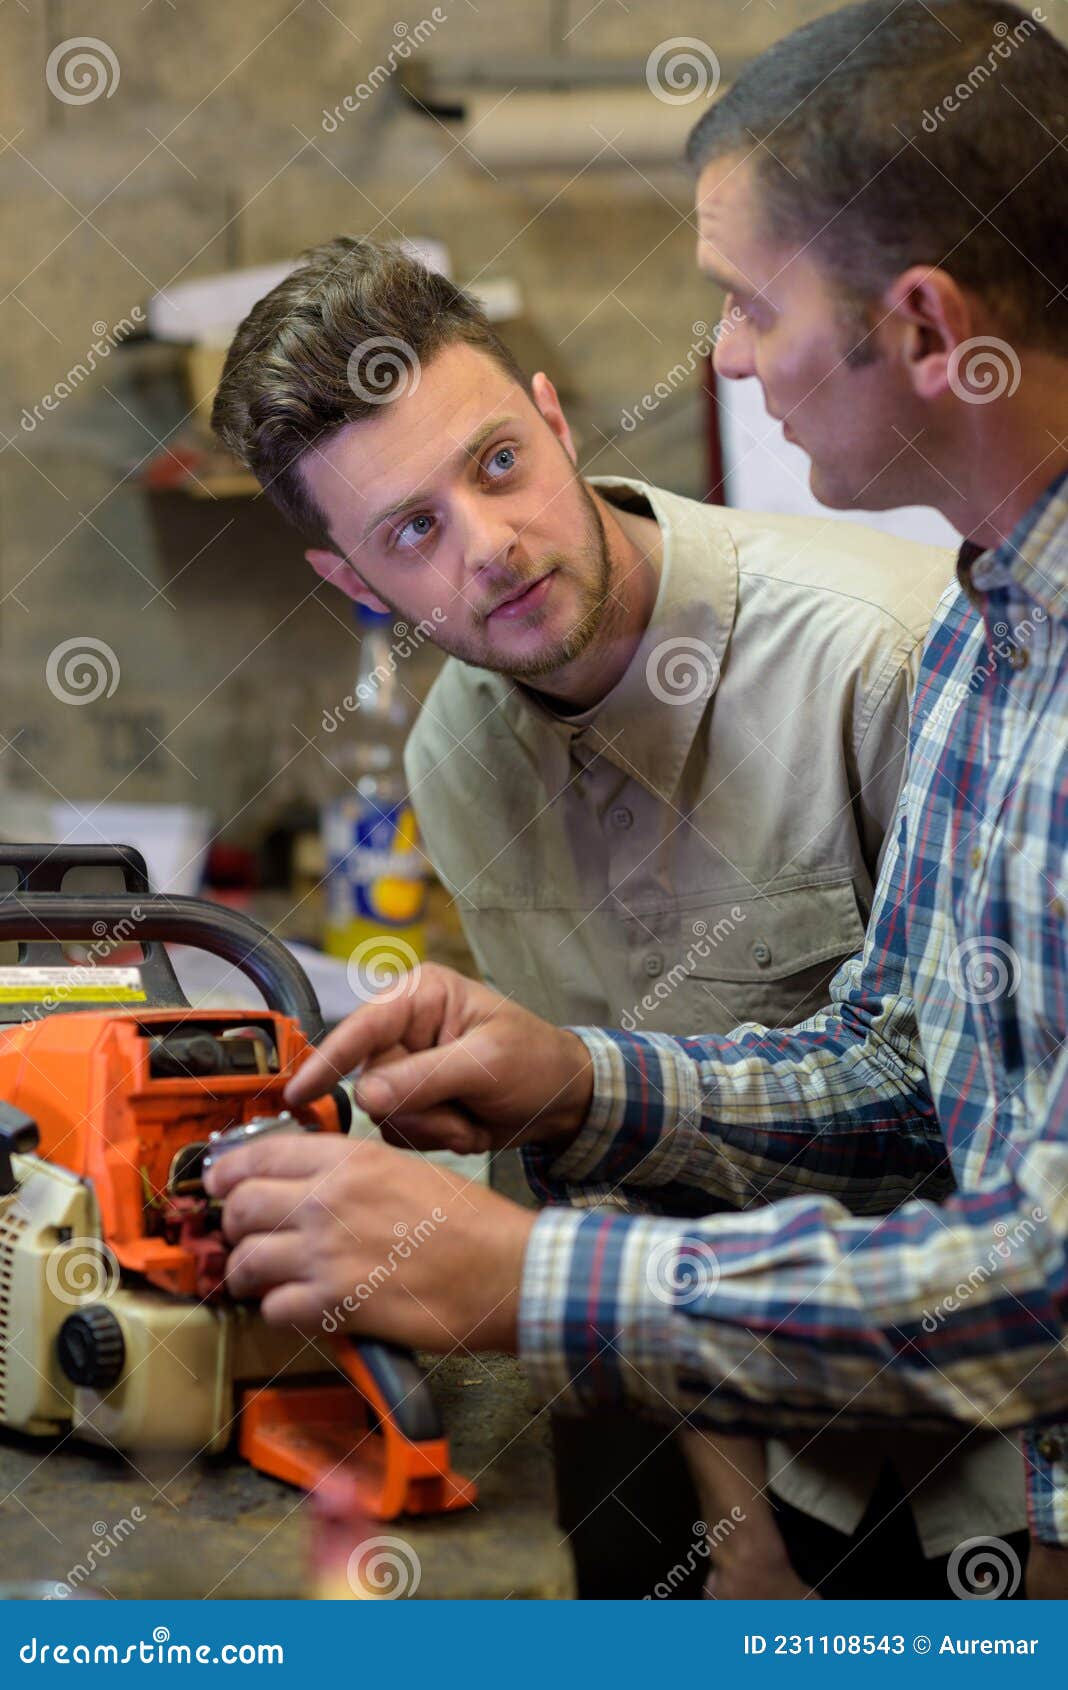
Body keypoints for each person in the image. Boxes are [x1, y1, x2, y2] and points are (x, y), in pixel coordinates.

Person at [207, 0, 1068, 1600]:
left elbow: (1043, 1273)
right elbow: (903, 1071)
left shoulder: (905, 647)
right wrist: (576, 1081)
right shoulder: (997, 636)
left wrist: (538, 1273)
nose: (724, 357)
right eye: (406, 531)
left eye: (748, 302)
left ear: (928, 322)